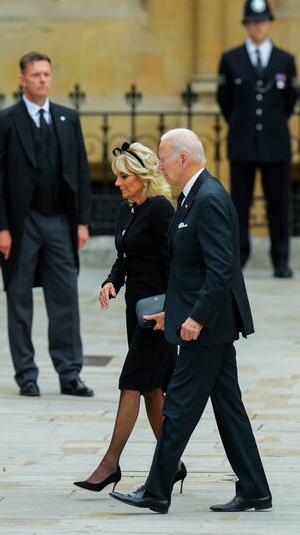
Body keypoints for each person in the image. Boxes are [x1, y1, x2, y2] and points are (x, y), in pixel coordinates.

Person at [110, 129, 271, 514]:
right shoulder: (191, 197)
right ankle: (254, 488)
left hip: (209, 326)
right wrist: (176, 311)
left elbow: (220, 270)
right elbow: (191, 270)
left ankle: (156, 490)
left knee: (178, 406)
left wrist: (196, 318)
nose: (160, 165)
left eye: (163, 158)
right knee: (229, 407)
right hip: (203, 321)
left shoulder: (209, 198)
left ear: (183, 158)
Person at [74, 141, 185, 493]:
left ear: (142, 177)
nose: (118, 183)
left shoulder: (161, 211)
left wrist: (172, 311)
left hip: (159, 315)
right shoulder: (128, 210)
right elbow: (124, 258)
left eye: (124, 176)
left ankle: (110, 465)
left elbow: (174, 265)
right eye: (117, 176)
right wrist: (111, 282)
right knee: (152, 389)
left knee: (132, 382)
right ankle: (174, 465)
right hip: (135, 313)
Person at [0, 52, 94, 398]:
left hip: (60, 220)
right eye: (36, 75)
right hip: (21, 224)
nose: (43, 80)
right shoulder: (4, 122)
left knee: (65, 297)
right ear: (23, 79)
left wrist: (82, 222)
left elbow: (80, 173)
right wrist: (1, 227)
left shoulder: (67, 118)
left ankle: (70, 373)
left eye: (47, 74)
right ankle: (26, 374)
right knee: (19, 298)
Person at [217, 0, 300, 278]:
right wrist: (242, 124)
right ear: (245, 25)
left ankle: (281, 260)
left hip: (275, 145)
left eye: (262, 21)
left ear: (270, 23)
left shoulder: (284, 60)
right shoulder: (231, 59)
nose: (258, 27)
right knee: (239, 204)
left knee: (278, 203)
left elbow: (288, 101)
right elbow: (225, 100)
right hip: (243, 143)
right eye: (252, 22)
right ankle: (239, 257)